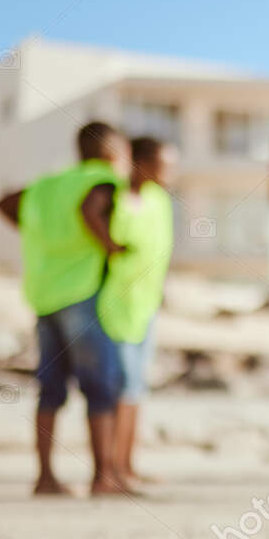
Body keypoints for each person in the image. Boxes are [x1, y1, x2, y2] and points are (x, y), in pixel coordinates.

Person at [0, 122, 130, 497]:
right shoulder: (103, 177)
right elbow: (92, 209)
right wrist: (110, 245)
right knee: (101, 387)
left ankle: (45, 478)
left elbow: (3, 203)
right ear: (113, 152)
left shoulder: (48, 184)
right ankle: (104, 478)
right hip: (81, 291)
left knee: (50, 390)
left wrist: (39, 234)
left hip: (43, 295)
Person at [98, 136, 175, 483]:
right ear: (142, 163)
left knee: (137, 388)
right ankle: (112, 468)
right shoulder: (115, 196)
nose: (169, 172)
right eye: (163, 164)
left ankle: (127, 465)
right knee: (122, 388)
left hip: (147, 306)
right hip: (118, 304)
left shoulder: (160, 200)